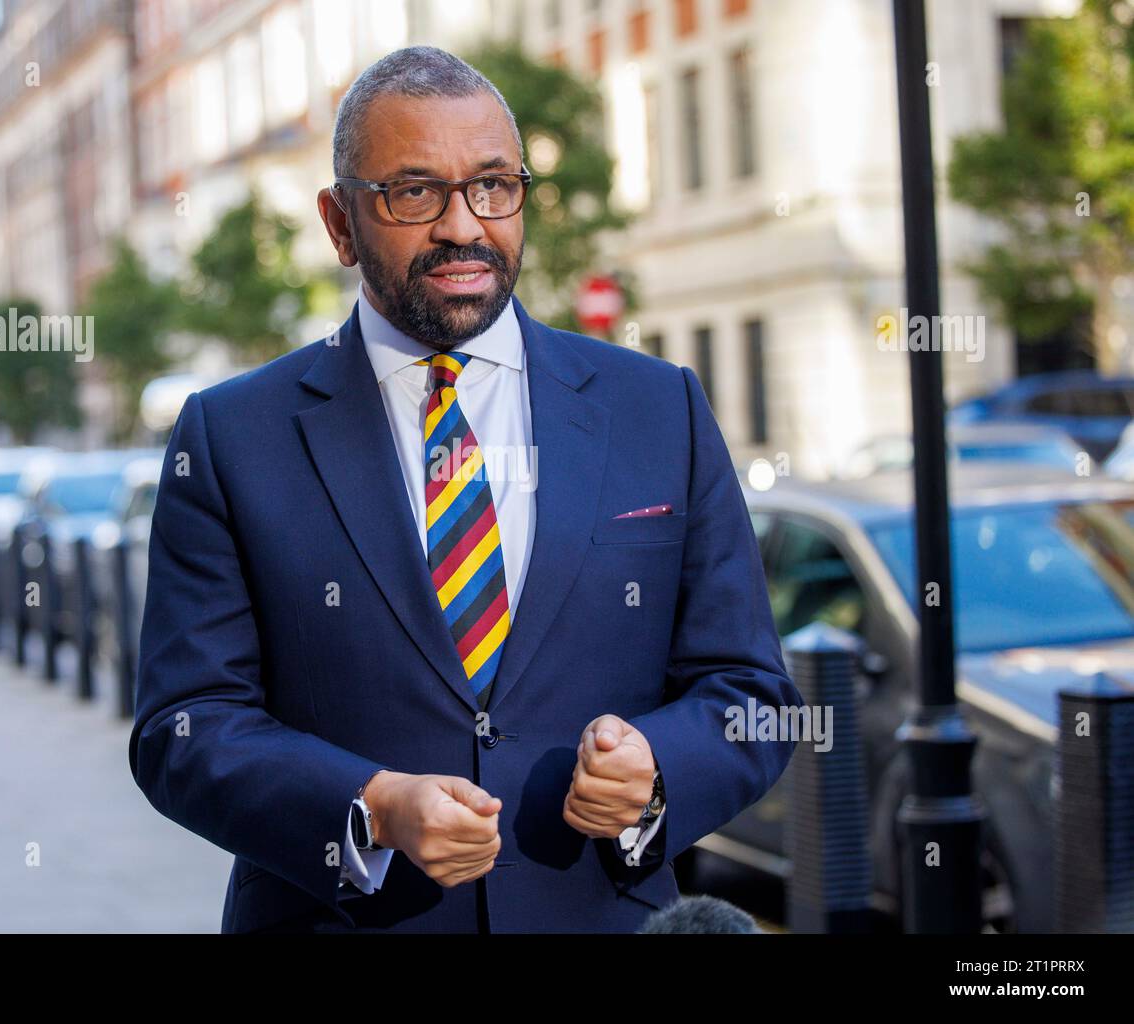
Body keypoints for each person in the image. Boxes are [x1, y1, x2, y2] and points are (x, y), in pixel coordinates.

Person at [129, 45, 804, 934]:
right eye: (415, 193)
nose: (463, 225)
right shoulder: (230, 438)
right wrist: (368, 807)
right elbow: (184, 727)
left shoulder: (658, 408)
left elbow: (751, 693)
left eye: (492, 185)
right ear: (340, 224)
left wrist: (658, 769)